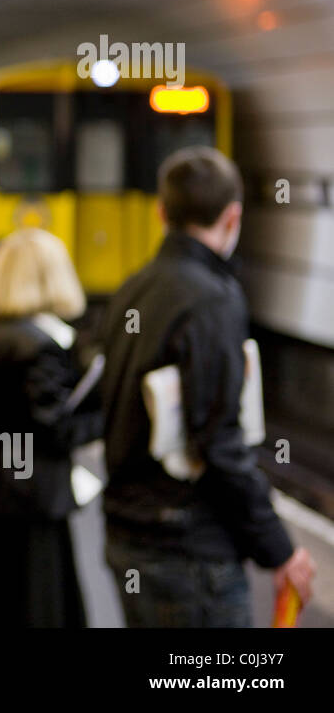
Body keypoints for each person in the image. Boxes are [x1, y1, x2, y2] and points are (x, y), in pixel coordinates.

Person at [100, 146, 314, 627]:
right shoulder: (213, 301)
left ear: (161, 213)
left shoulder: (132, 289)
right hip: (188, 550)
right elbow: (218, 443)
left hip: (126, 536)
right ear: (233, 217)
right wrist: (280, 550)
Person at [0, 228, 100, 627]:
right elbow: (54, 427)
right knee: (40, 600)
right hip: (35, 491)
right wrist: (102, 418)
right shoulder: (42, 346)